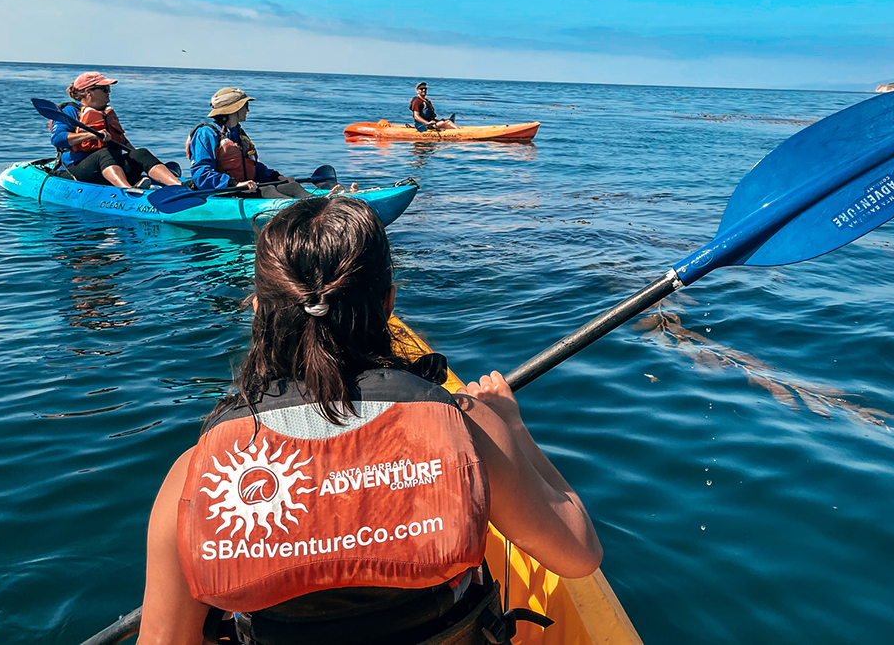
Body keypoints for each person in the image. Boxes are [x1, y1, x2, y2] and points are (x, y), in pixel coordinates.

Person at [138, 198, 601, 645]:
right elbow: (579, 554)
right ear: (388, 304)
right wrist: (514, 430)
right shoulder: (470, 429)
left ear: (258, 310)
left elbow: (164, 640)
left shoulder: (196, 473)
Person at [48, 71, 184, 189]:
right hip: (79, 170)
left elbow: (124, 143)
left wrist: (139, 159)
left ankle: (178, 186)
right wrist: (89, 135)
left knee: (140, 153)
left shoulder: (105, 113)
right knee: (103, 153)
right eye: (105, 88)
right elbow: (57, 139)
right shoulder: (69, 111)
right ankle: (127, 190)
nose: (109, 92)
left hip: (111, 168)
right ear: (88, 92)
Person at [186, 87, 313, 198]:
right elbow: (201, 174)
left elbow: (251, 165)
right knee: (268, 191)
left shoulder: (237, 132)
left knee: (291, 186)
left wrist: (277, 177)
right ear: (234, 109)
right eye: (246, 106)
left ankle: (319, 206)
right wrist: (234, 184)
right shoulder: (206, 134)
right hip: (226, 190)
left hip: (247, 187)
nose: (248, 110)